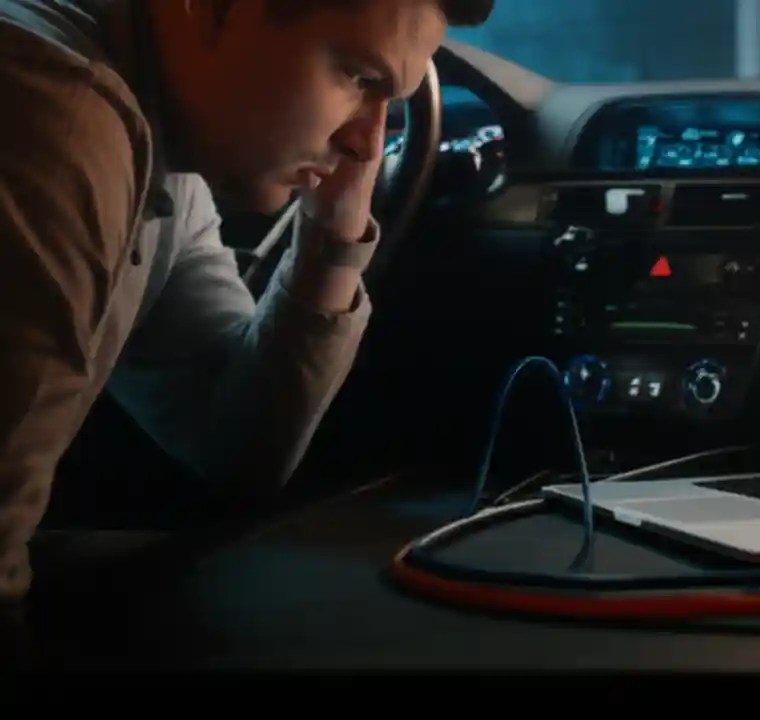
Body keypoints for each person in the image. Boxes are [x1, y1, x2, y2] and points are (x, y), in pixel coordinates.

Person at [0, 0, 493, 656]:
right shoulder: (57, 116)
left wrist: (336, 227)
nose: (369, 141)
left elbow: (235, 448)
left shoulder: (164, 153)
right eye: (356, 77)